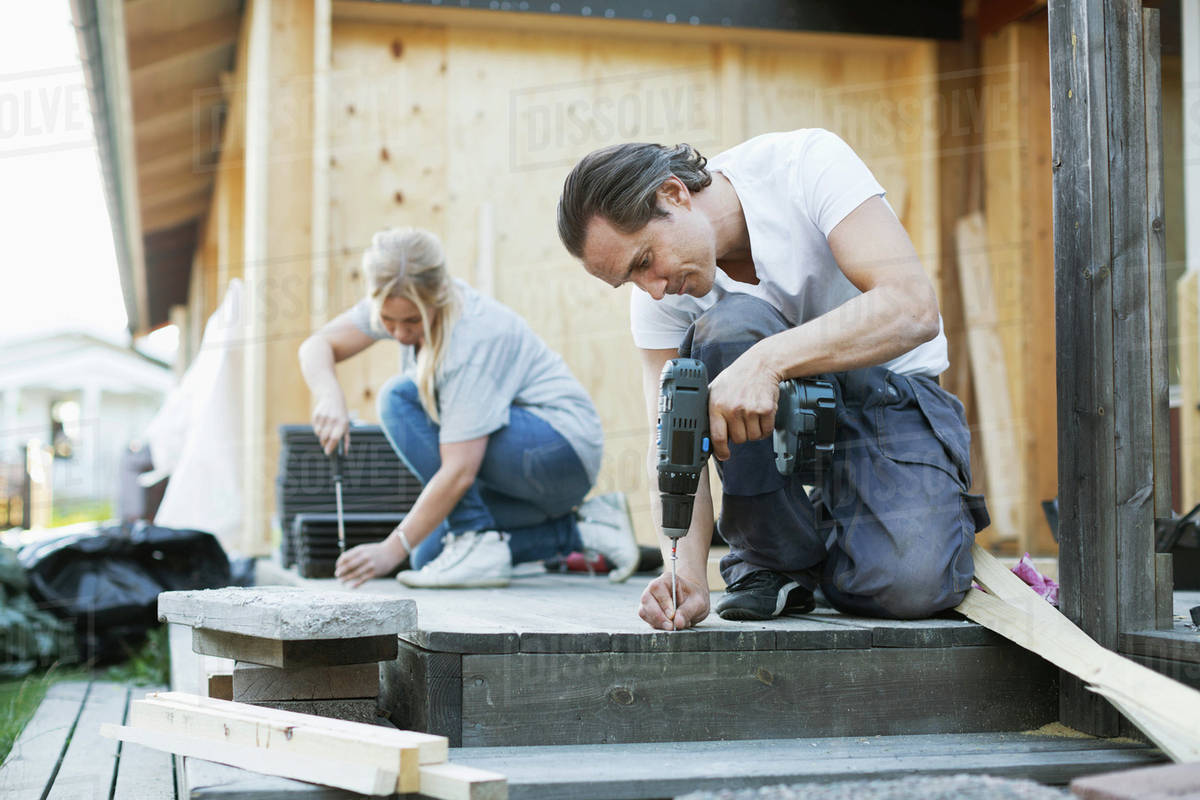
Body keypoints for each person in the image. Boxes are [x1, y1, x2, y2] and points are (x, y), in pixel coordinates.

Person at [556, 129, 989, 631]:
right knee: (728, 331)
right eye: (630, 280)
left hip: (888, 394)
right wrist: (686, 574)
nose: (652, 291)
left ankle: (840, 537)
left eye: (645, 261)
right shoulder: (662, 293)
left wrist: (767, 362)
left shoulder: (806, 165)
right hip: (774, 425)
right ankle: (774, 560)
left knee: (910, 585)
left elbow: (912, 308)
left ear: (673, 194)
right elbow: (670, 443)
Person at [298, 227, 638, 588]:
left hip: (558, 451)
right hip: (520, 468)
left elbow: (459, 471)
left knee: (398, 399)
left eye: (411, 321)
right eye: (387, 321)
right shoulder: (398, 300)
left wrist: (388, 549)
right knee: (427, 555)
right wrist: (328, 394)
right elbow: (318, 345)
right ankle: (587, 530)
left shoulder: (470, 338)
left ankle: (476, 536)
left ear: (438, 296)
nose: (398, 333)